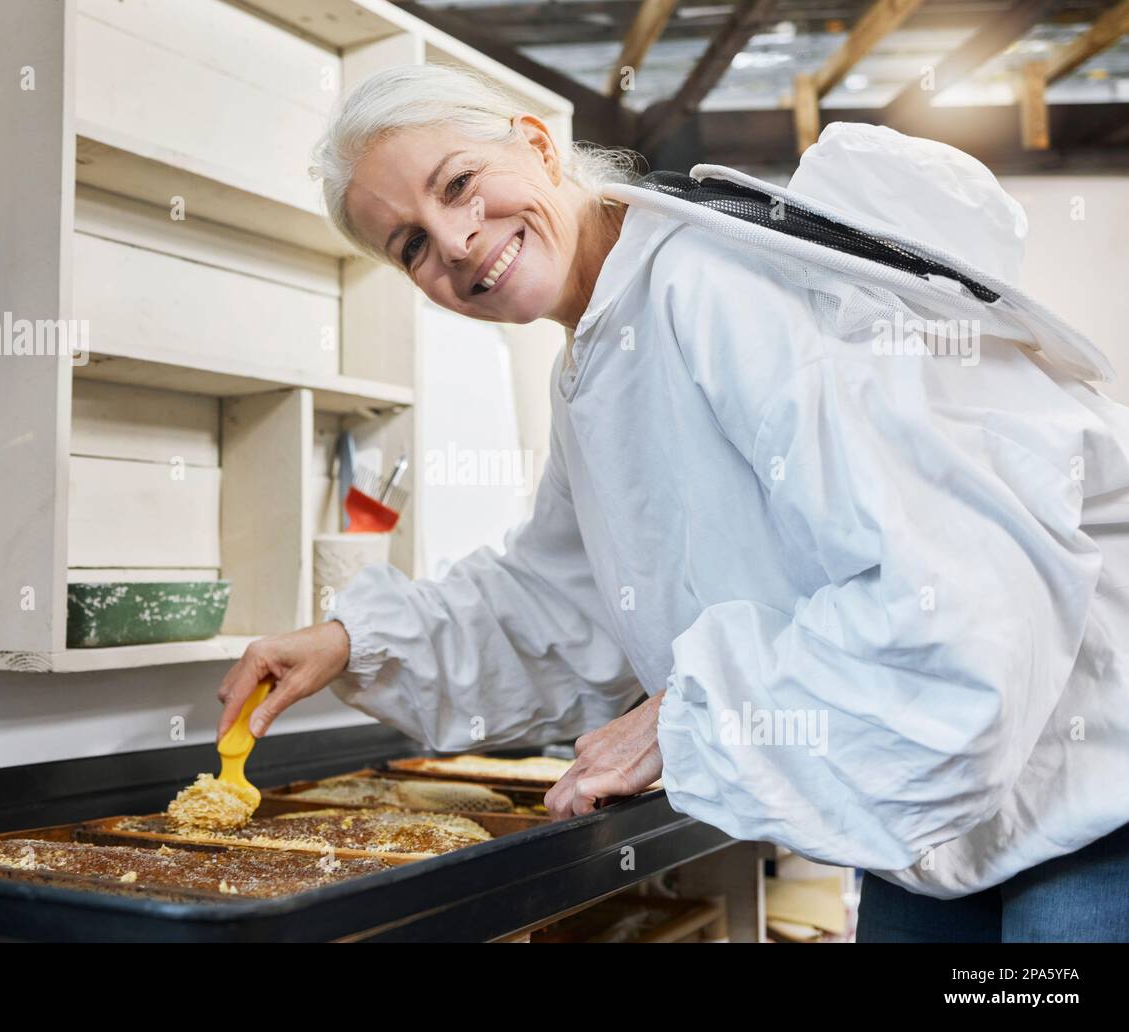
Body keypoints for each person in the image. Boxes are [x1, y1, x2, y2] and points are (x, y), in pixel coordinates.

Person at [217, 63, 1129, 941]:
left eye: (457, 183)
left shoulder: (713, 279)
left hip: (1086, 786)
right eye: (409, 243)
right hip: (944, 828)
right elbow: (567, 602)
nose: (454, 242)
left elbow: (951, 589)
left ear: (537, 143)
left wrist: (685, 716)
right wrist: (351, 641)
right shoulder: (598, 351)